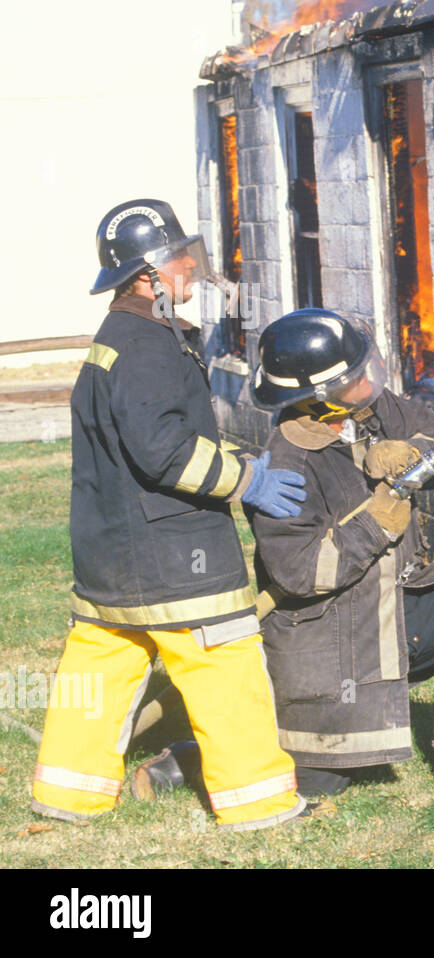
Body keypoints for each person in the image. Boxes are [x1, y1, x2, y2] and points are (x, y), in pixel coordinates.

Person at [31, 199, 313, 831]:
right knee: (224, 665)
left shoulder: (119, 338)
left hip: (111, 553)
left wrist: (234, 455)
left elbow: (139, 440)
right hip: (172, 555)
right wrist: (247, 481)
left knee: (102, 662)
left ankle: (68, 794)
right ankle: (259, 802)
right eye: (179, 258)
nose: (193, 268)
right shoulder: (149, 346)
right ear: (144, 276)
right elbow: (164, 454)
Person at [247, 307, 434, 795]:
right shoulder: (287, 461)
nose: (370, 379)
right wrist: (376, 524)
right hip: (331, 637)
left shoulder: (370, 411)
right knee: (310, 778)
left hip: (393, 611)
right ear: (321, 397)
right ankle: (181, 759)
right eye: (356, 375)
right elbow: (300, 571)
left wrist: (405, 452)